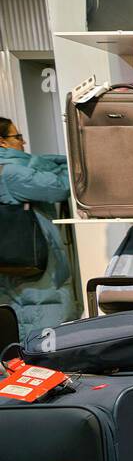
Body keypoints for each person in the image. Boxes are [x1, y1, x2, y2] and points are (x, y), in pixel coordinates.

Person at [0, 116, 79, 337]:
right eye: (17, 136)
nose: (22, 143)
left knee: (17, 312)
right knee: (39, 317)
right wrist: (68, 164)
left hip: (9, 261)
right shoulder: (10, 173)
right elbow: (60, 187)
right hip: (31, 263)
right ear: (2, 142)